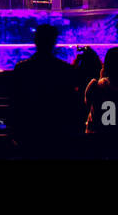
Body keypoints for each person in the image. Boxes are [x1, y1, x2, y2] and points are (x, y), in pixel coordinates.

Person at [11, 25, 80, 157]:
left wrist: (16, 132)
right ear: (54, 42)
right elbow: (71, 106)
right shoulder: (64, 70)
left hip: (29, 133)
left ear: (36, 41)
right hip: (57, 134)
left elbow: (15, 104)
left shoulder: (22, 69)